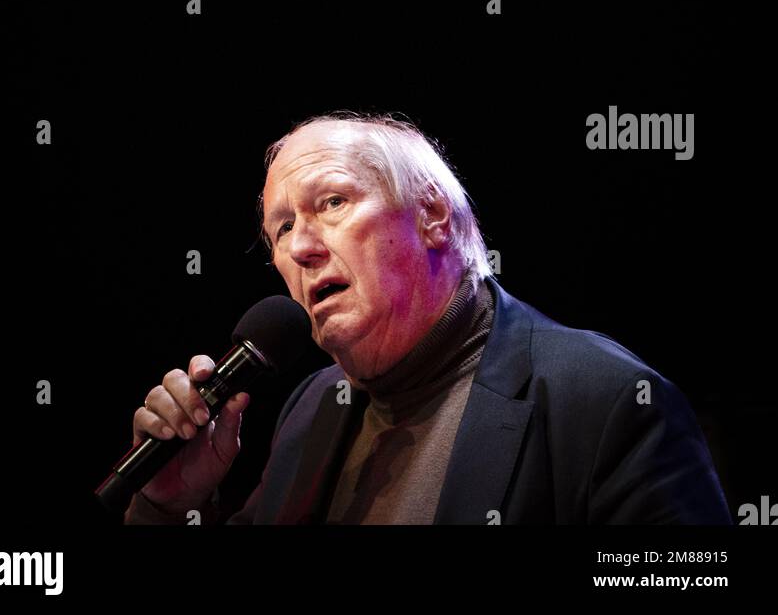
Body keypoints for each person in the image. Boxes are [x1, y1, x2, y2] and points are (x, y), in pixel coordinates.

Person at [124, 112, 732, 525]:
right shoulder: (310, 410)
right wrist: (169, 504)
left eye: (332, 202)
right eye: (282, 229)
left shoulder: (605, 401)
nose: (301, 246)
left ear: (433, 216)